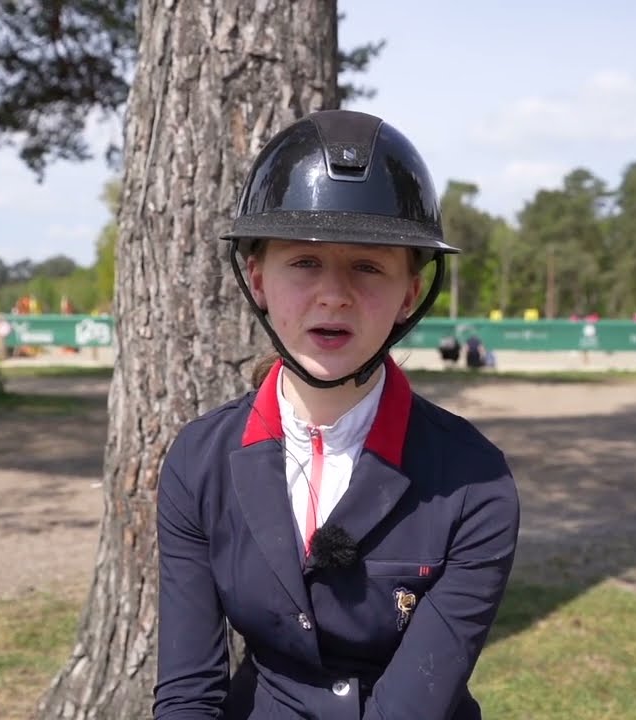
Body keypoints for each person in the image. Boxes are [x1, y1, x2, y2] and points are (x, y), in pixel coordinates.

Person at [153, 109, 520, 720]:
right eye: (304, 261)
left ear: (409, 293)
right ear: (257, 278)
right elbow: (188, 693)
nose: (333, 294)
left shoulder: (476, 483)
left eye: (368, 266)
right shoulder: (198, 462)